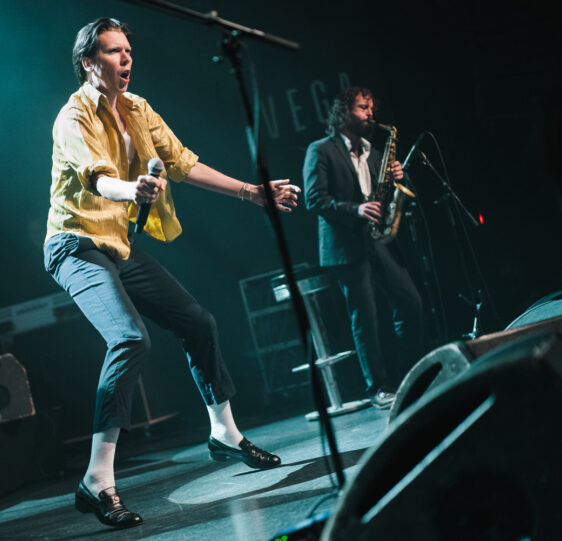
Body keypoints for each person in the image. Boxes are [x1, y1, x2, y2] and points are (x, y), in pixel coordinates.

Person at [45, 17, 300, 529]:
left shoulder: (138, 109)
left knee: (198, 321)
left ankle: (224, 433)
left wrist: (253, 193)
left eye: (127, 50)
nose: (126, 59)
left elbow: (183, 163)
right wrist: (132, 189)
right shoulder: (72, 118)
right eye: (114, 52)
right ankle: (96, 479)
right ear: (88, 63)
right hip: (73, 246)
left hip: (117, 246)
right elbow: (99, 181)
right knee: (130, 340)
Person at [303, 86, 423, 409]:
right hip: (346, 244)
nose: (371, 113)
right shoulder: (321, 149)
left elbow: (385, 193)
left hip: (377, 240)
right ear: (343, 113)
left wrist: (401, 179)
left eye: (371, 107)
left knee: (410, 303)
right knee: (365, 318)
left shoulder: (375, 152)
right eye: (362, 107)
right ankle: (378, 386)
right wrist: (355, 209)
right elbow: (313, 199)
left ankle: (409, 375)